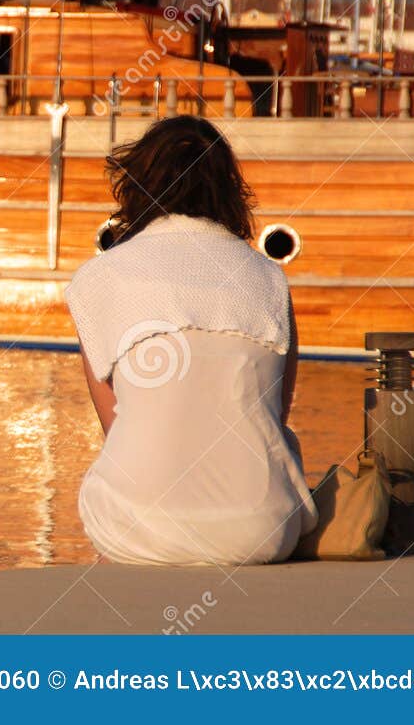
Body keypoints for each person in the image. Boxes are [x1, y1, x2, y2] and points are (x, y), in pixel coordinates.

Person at [65, 115, 317, 565]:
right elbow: (273, 414)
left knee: (124, 506)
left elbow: (114, 426)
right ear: (228, 190)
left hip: (139, 529)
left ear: (136, 185)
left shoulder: (98, 279)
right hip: (263, 531)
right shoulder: (268, 279)